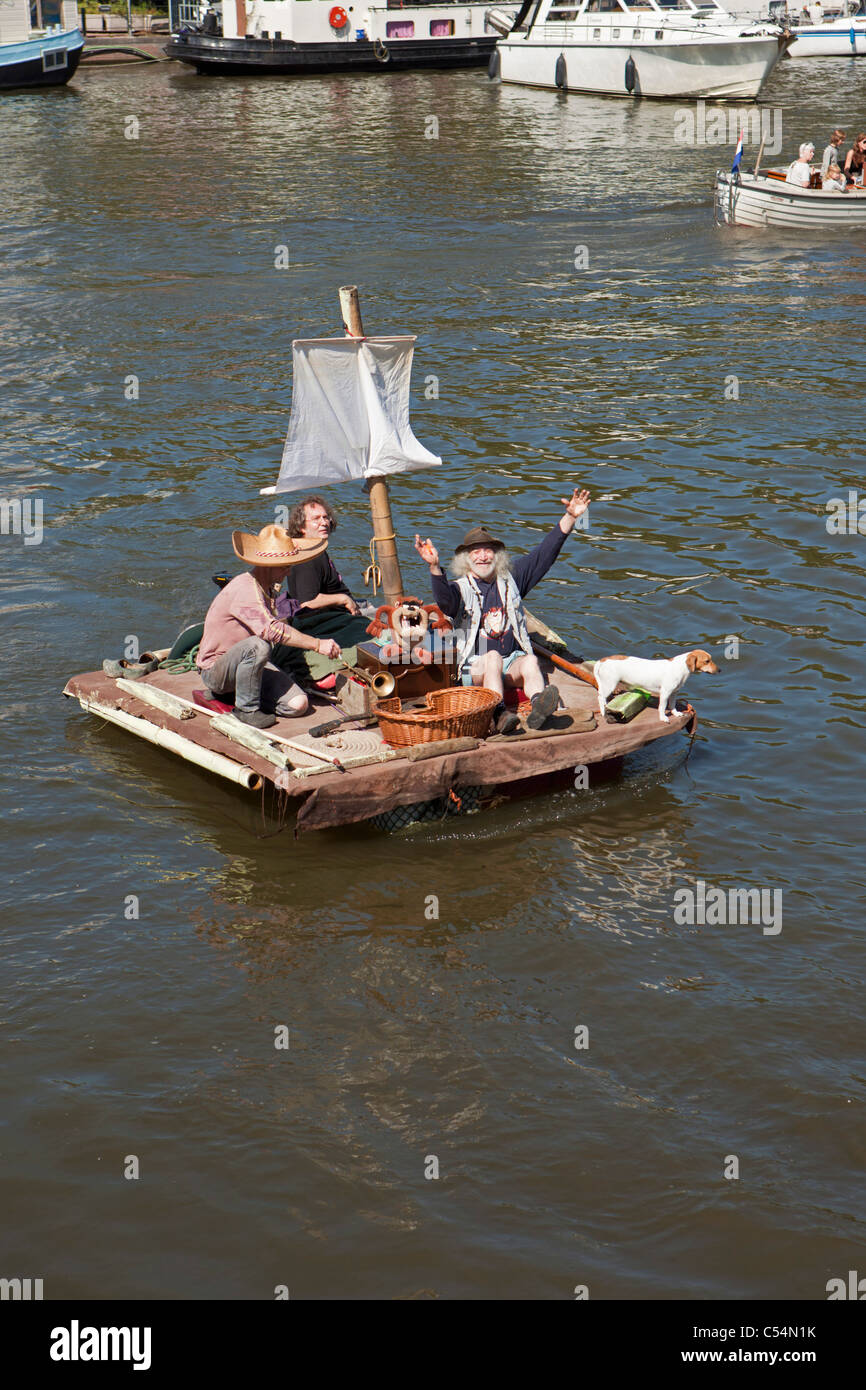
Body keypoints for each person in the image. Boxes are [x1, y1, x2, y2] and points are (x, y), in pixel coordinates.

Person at [413, 487, 591, 736]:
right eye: (476, 551)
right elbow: (444, 602)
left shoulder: (511, 580)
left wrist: (571, 517)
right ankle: (498, 714)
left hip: (510, 664)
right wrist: (434, 567)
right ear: (466, 559)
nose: (483, 556)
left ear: (497, 556)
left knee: (530, 660)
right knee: (493, 657)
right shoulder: (459, 588)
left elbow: (544, 554)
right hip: (473, 666)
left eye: (489, 550)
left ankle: (540, 707)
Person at [197, 524, 341, 729]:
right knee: (258, 646)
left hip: (248, 667)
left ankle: (238, 692)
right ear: (267, 565)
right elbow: (270, 630)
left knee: (298, 705)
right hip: (217, 670)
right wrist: (317, 644)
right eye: (284, 566)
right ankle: (246, 709)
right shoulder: (245, 587)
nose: (289, 571)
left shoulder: (267, 588)